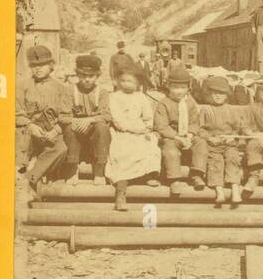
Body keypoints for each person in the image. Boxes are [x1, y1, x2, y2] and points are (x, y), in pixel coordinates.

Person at [15, 45, 70, 191]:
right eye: (34, 65)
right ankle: (24, 175)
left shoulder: (60, 88)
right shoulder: (22, 86)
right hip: (27, 131)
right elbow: (17, 112)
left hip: (49, 132)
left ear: (51, 65)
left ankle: (29, 178)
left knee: (61, 148)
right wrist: (30, 125)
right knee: (21, 140)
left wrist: (56, 130)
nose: (37, 69)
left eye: (42, 65)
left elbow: (66, 115)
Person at [106, 70, 161, 211]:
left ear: (137, 84)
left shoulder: (141, 97)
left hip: (140, 130)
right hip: (122, 131)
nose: (125, 84)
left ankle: (149, 174)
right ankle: (121, 193)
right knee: (123, 152)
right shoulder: (114, 97)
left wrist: (147, 128)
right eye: (123, 80)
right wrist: (133, 129)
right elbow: (117, 119)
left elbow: (148, 117)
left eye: (130, 81)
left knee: (151, 144)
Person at [154, 65, 206, 194]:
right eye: (175, 87)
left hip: (187, 135)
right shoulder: (164, 103)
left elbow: (195, 122)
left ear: (188, 88)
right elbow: (161, 126)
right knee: (170, 150)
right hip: (172, 136)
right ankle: (174, 179)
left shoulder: (191, 102)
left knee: (201, 144)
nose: (179, 91)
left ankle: (196, 174)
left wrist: (189, 135)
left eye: (182, 88)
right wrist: (177, 137)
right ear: (169, 87)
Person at [199, 75, 250, 204]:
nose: (218, 96)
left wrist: (232, 136)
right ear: (209, 94)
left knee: (232, 159)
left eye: (221, 93)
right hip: (213, 145)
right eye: (214, 93)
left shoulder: (231, 110)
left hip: (229, 144)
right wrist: (209, 137)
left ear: (226, 95)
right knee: (215, 163)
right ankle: (219, 191)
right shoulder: (205, 110)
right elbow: (200, 129)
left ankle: (235, 188)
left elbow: (238, 127)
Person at [63, 54, 111, 185]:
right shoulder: (70, 90)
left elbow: (106, 115)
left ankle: (99, 171)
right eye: (83, 76)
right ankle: (72, 169)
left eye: (91, 76)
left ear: (97, 76)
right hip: (76, 129)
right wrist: (75, 121)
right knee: (68, 128)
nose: (87, 80)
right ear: (77, 75)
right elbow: (62, 115)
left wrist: (90, 120)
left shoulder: (102, 92)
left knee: (103, 127)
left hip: (93, 131)